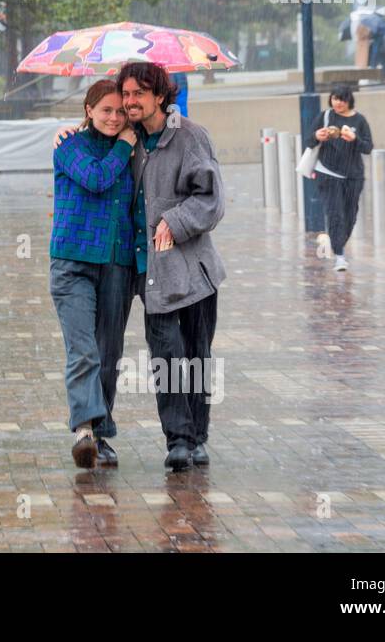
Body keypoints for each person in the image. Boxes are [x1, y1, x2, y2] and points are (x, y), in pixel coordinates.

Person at [119, 62, 226, 472]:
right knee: (166, 356)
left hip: (195, 274)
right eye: (125, 94)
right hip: (151, 278)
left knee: (197, 356)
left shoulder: (191, 137)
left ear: (160, 96)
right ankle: (178, 439)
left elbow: (212, 201)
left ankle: (198, 436)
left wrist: (174, 221)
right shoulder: (127, 141)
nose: (129, 102)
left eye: (138, 94)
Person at [48, 80, 137, 471]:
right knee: (84, 350)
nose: (114, 118)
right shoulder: (69, 146)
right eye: (106, 110)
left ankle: (101, 435)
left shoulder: (134, 147)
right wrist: (126, 146)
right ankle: (83, 429)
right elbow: (97, 179)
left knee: (109, 352)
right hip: (73, 263)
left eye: (121, 111)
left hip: (117, 261)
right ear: (88, 110)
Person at [308, 85, 373, 272]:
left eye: (342, 100)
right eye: (335, 98)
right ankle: (340, 257)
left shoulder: (359, 120)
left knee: (350, 216)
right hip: (327, 173)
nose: (338, 103)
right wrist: (317, 136)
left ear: (349, 100)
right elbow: (309, 141)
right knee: (335, 213)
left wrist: (354, 139)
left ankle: (334, 243)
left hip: (353, 176)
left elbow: (368, 147)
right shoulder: (325, 117)